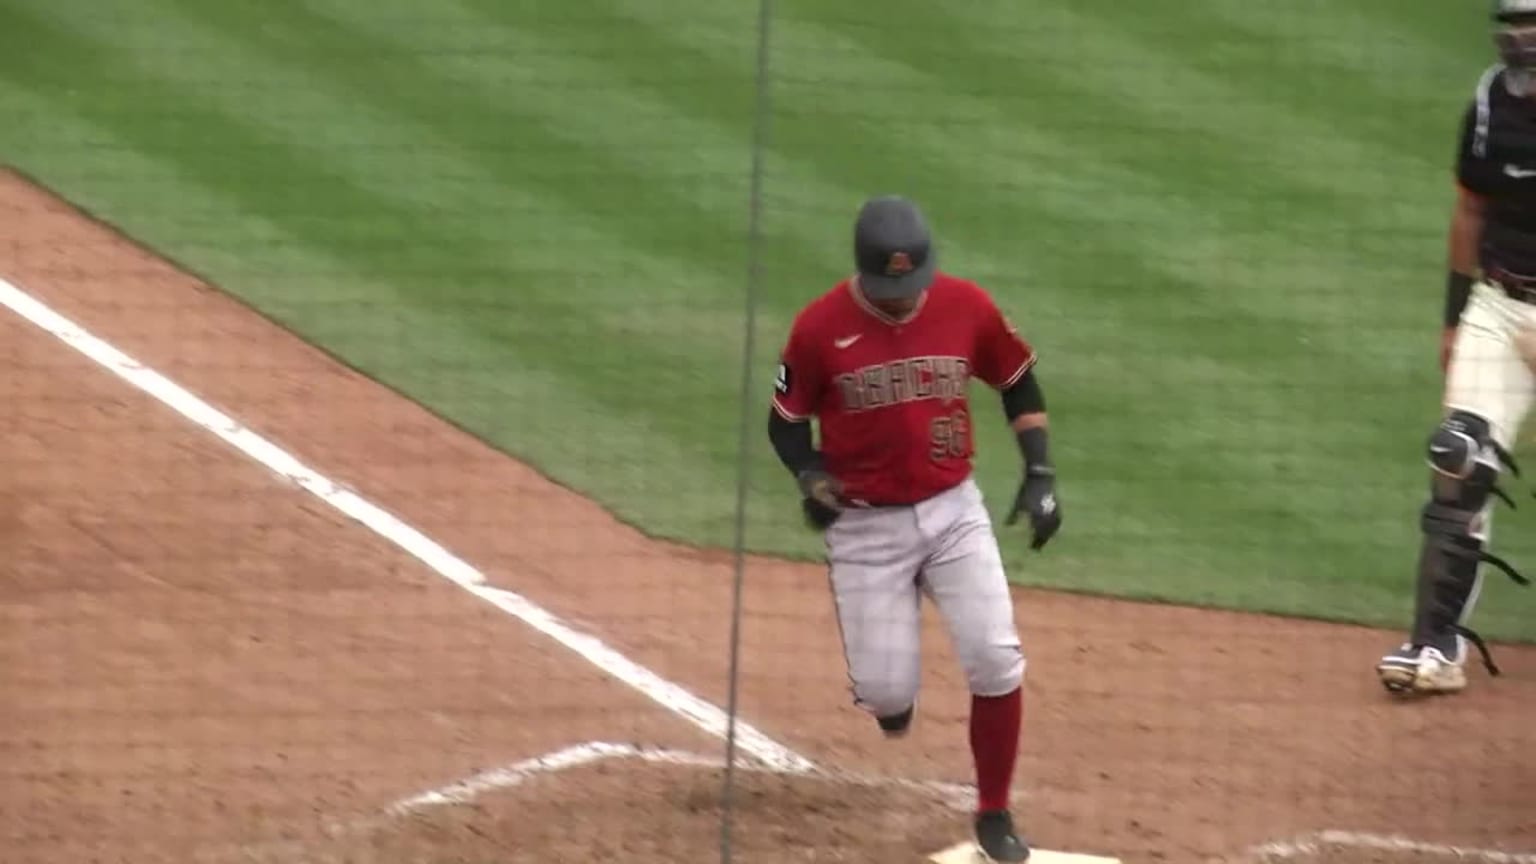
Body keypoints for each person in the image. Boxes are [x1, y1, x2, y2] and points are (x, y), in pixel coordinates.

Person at [767, 195, 1062, 861]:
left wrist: (1040, 473)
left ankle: (993, 812)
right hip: (866, 530)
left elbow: (1018, 382)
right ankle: (889, 696)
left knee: (996, 658)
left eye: (910, 285)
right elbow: (785, 422)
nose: (903, 300)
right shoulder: (818, 329)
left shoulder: (966, 306)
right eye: (889, 289)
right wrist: (811, 477)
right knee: (886, 692)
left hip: (954, 510)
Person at [1375, 0, 1536, 697]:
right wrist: (1453, 320)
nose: (1516, 35)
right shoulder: (1489, 101)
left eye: (1530, 21)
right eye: (1509, 21)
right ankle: (1435, 646)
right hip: (1498, 307)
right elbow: (1470, 208)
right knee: (1457, 453)